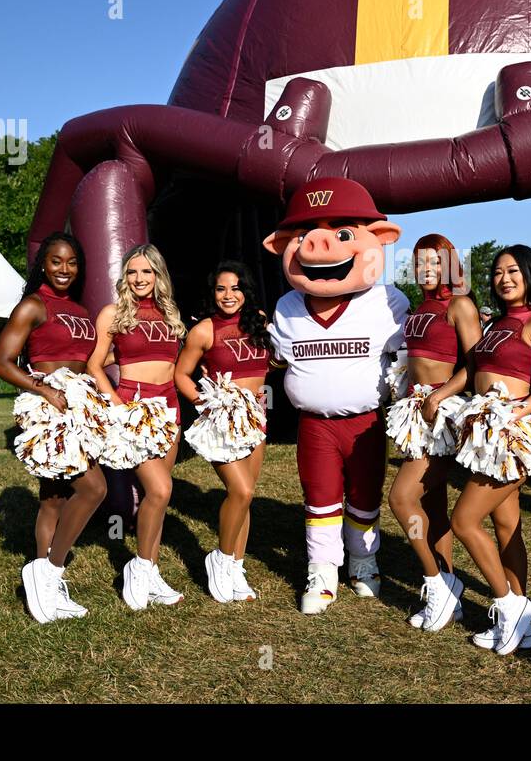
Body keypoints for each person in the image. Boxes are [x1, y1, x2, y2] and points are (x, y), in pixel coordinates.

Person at [263, 177, 409, 614]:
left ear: (378, 240)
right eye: (306, 235)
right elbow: (274, 359)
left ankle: (364, 562)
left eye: (342, 233)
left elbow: (411, 358)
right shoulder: (288, 305)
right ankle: (322, 570)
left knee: (365, 495)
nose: (320, 246)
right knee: (320, 496)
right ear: (284, 245)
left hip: (365, 421)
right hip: (314, 424)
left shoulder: (388, 301)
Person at [424, 244, 531, 654]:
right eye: (499, 272)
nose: (504, 278)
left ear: (530, 275)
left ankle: (511, 606)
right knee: (506, 527)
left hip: (511, 436)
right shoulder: (496, 323)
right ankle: (523, 627)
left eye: (514, 271)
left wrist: (516, 412)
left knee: (465, 521)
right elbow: (474, 371)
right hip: (485, 434)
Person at [0, 232, 108, 623]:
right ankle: (48, 570)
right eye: (57, 261)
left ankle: (46, 586)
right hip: (51, 403)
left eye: (72, 262)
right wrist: (43, 390)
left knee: (54, 498)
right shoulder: (33, 305)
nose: (64, 268)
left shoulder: (78, 308)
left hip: (79, 403)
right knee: (94, 488)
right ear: (44, 263)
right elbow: (2, 361)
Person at [386, 235, 482, 631]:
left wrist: (440, 395)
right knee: (433, 507)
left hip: (442, 415)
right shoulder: (418, 307)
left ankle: (437, 585)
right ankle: (448, 585)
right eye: (419, 262)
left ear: (449, 265)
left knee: (401, 498)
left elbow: (476, 364)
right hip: (416, 413)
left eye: (433, 262)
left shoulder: (459, 305)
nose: (425, 269)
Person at [87, 244, 187, 610]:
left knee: (156, 498)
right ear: (124, 276)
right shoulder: (113, 313)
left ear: (158, 275)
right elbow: (95, 364)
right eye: (132, 272)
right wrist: (117, 404)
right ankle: (139, 568)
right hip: (134, 409)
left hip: (170, 408)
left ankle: (152, 571)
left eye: (147, 272)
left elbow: (168, 361)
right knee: (160, 490)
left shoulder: (170, 313)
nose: (140, 279)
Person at [175, 261, 272, 603]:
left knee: (245, 499)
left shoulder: (259, 320)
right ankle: (221, 558)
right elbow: (181, 375)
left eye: (235, 288)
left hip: (256, 417)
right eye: (221, 289)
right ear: (212, 293)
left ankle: (236, 567)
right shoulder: (203, 330)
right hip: (222, 420)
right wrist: (207, 402)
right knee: (241, 492)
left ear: (245, 290)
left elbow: (269, 364)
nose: (228, 295)